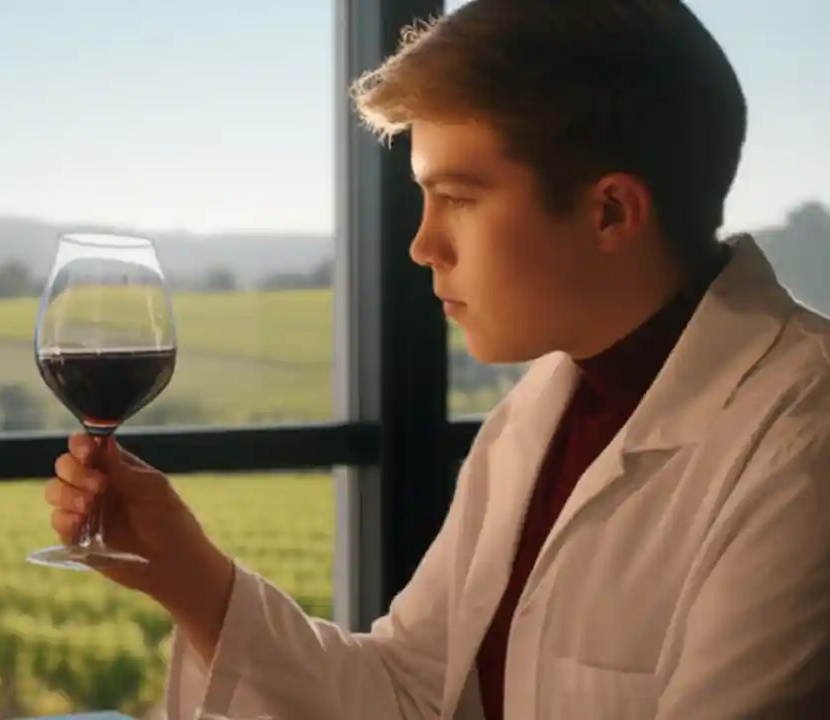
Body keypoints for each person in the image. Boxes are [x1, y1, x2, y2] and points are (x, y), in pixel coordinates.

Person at [43, 1, 830, 717]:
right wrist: (190, 577)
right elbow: (412, 694)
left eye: (457, 197)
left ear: (610, 212)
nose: (422, 245)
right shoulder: (539, 413)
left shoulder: (805, 449)